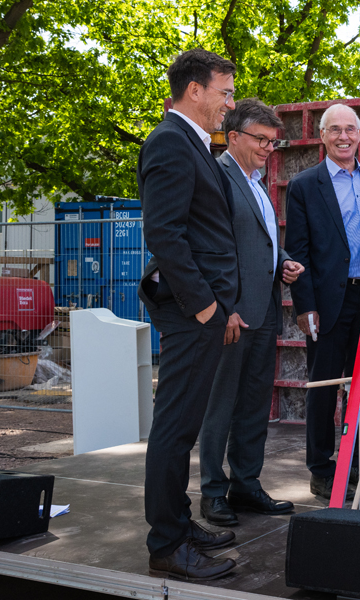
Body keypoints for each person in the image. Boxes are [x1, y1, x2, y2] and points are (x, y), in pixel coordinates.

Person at [137, 48, 240, 580]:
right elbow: (165, 234)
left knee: (184, 426)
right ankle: (167, 544)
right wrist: (205, 307)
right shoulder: (171, 142)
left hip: (201, 311)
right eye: (224, 92)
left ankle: (178, 521)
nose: (229, 103)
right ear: (195, 90)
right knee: (174, 428)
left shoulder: (193, 143)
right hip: (188, 311)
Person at [198, 99, 305, 527]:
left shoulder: (257, 183)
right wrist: (224, 310)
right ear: (234, 136)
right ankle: (212, 493)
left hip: (262, 313)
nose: (267, 148)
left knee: (254, 407)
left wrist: (283, 264)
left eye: (272, 142)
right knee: (219, 408)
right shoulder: (217, 177)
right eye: (260, 139)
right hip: (231, 316)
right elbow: (211, 250)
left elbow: (255, 245)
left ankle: (246, 484)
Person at [285, 103, 360, 500]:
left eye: (351, 129)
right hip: (327, 302)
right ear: (323, 136)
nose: (344, 137)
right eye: (335, 130)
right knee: (324, 386)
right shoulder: (304, 185)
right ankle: (321, 467)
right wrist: (304, 306)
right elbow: (298, 250)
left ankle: (358, 464)